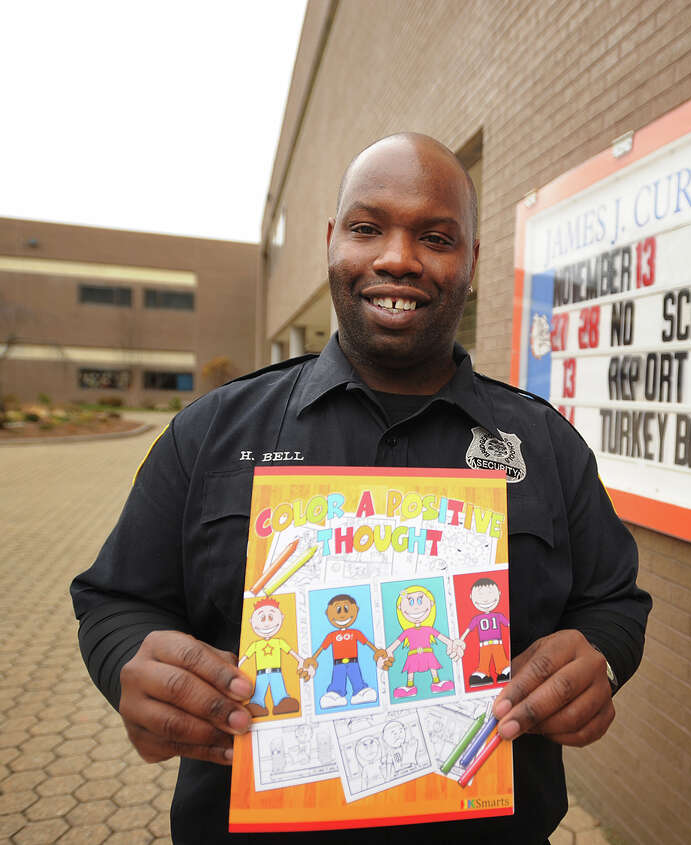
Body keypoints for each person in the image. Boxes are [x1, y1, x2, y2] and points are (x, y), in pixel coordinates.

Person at [70, 132, 651, 844]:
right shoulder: (210, 433)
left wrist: (604, 660)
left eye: (435, 236)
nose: (397, 258)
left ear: (470, 258)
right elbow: (115, 598)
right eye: (368, 227)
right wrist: (130, 659)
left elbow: (614, 603)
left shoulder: (547, 446)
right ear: (331, 241)